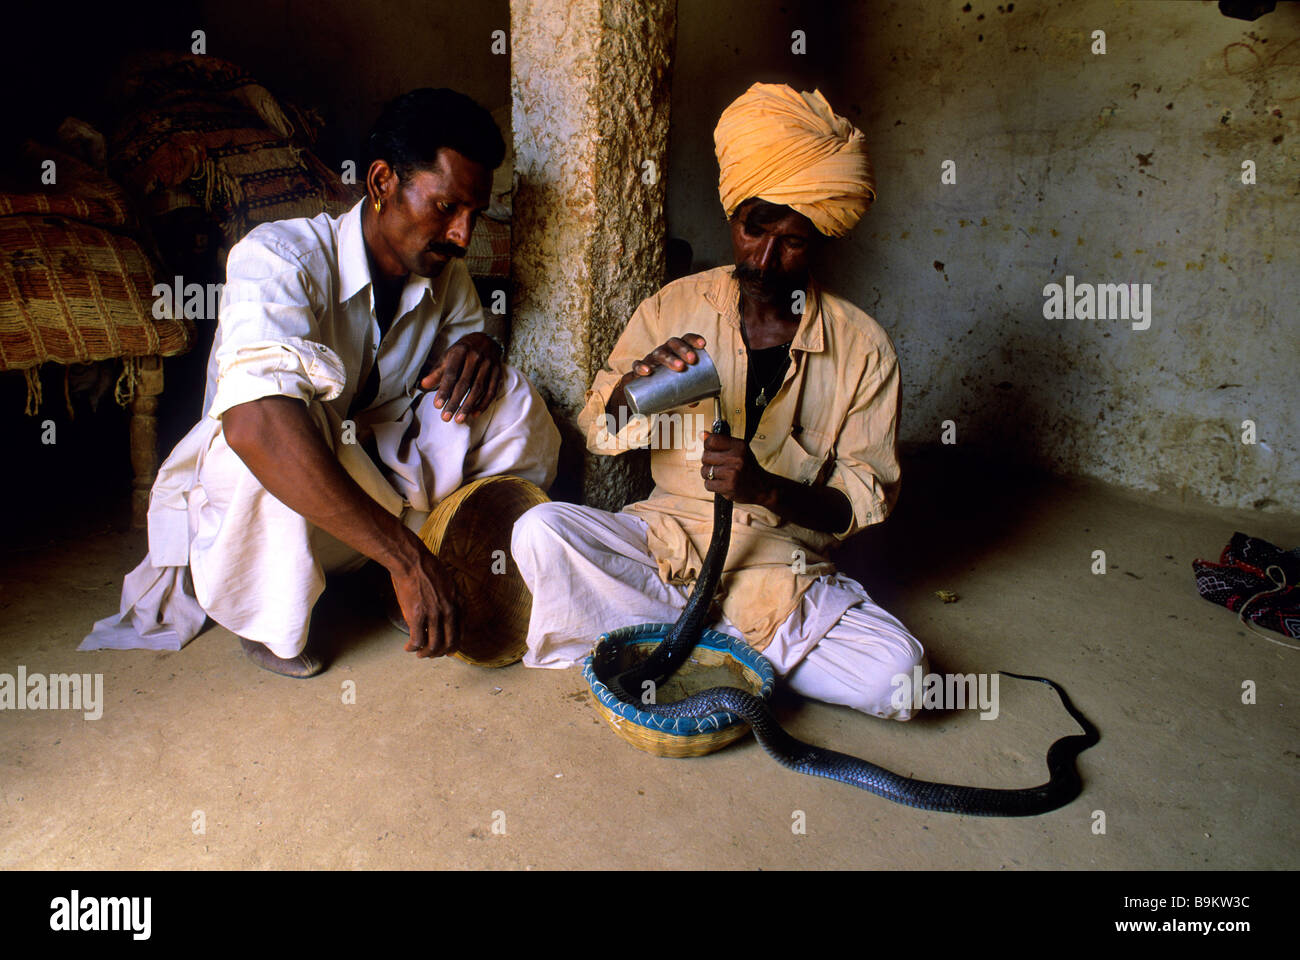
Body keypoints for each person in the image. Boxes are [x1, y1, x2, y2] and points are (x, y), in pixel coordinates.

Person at [83, 88, 560, 677]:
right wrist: (407, 559)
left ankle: (411, 571)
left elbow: (458, 368)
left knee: (510, 398)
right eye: (446, 207)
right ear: (382, 182)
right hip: (275, 496)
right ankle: (274, 614)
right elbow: (254, 426)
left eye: (474, 214)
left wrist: (480, 347)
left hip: (373, 473)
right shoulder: (279, 257)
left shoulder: (444, 273)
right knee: (275, 421)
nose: (463, 234)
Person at [511, 82, 925, 719]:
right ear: (733, 216)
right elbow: (602, 428)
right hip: (664, 541)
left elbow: (863, 502)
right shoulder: (674, 306)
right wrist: (633, 389)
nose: (764, 259)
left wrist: (767, 490)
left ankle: (676, 639)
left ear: (822, 241)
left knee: (900, 678)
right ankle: (723, 648)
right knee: (541, 529)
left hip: (776, 570)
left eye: (792, 241)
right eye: (754, 230)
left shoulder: (862, 347)